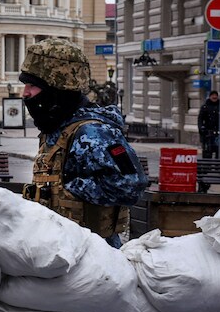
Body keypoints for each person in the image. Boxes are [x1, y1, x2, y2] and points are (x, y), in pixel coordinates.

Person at [19, 38, 148, 248]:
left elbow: (131, 185)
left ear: (56, 88)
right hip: (62, 247)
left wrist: (69, 189)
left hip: (93, 254)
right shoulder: (57, 129)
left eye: (33, 85)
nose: (25, 93)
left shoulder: (93, 132)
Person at [198, 90, 220, 159]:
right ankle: (208, 168)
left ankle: (217, 167)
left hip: (218, 133)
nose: (214, 97)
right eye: (213, 95)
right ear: (210, 96)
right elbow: (200, 119)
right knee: (207, 152)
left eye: (215, 95)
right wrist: (201, 129)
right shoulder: (205, 107)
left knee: (219, 152)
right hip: (208, 133)